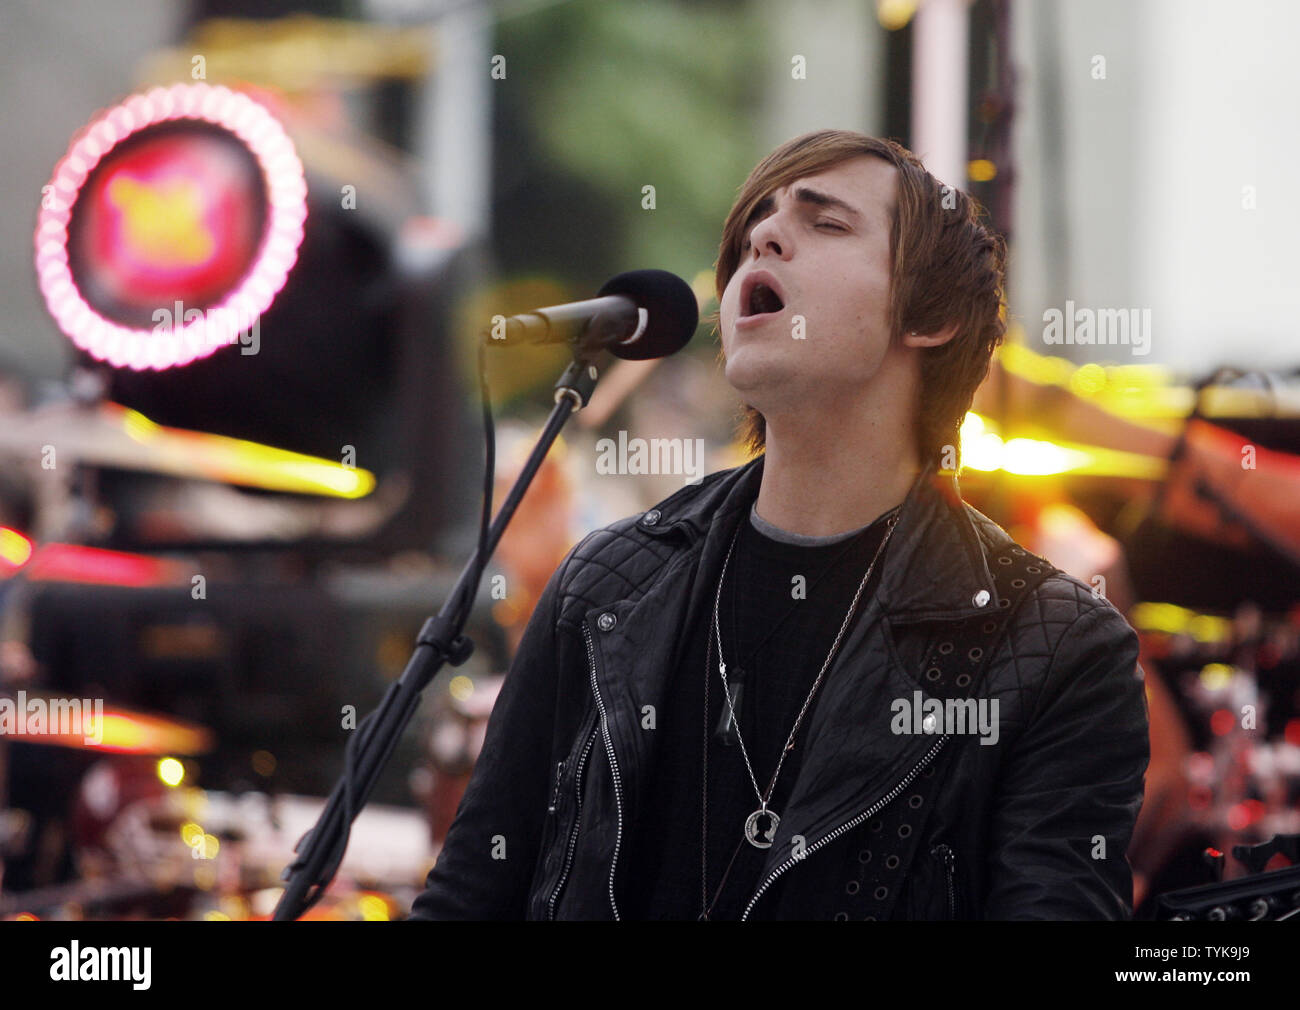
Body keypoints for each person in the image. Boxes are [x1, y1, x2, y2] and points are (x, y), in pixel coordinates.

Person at [406, 129, 1150, 921]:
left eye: (825, 223)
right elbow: (467, 898)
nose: (763, 235)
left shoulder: (1055, 650)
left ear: (930, 320)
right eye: (755, 225)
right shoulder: (606, 583)